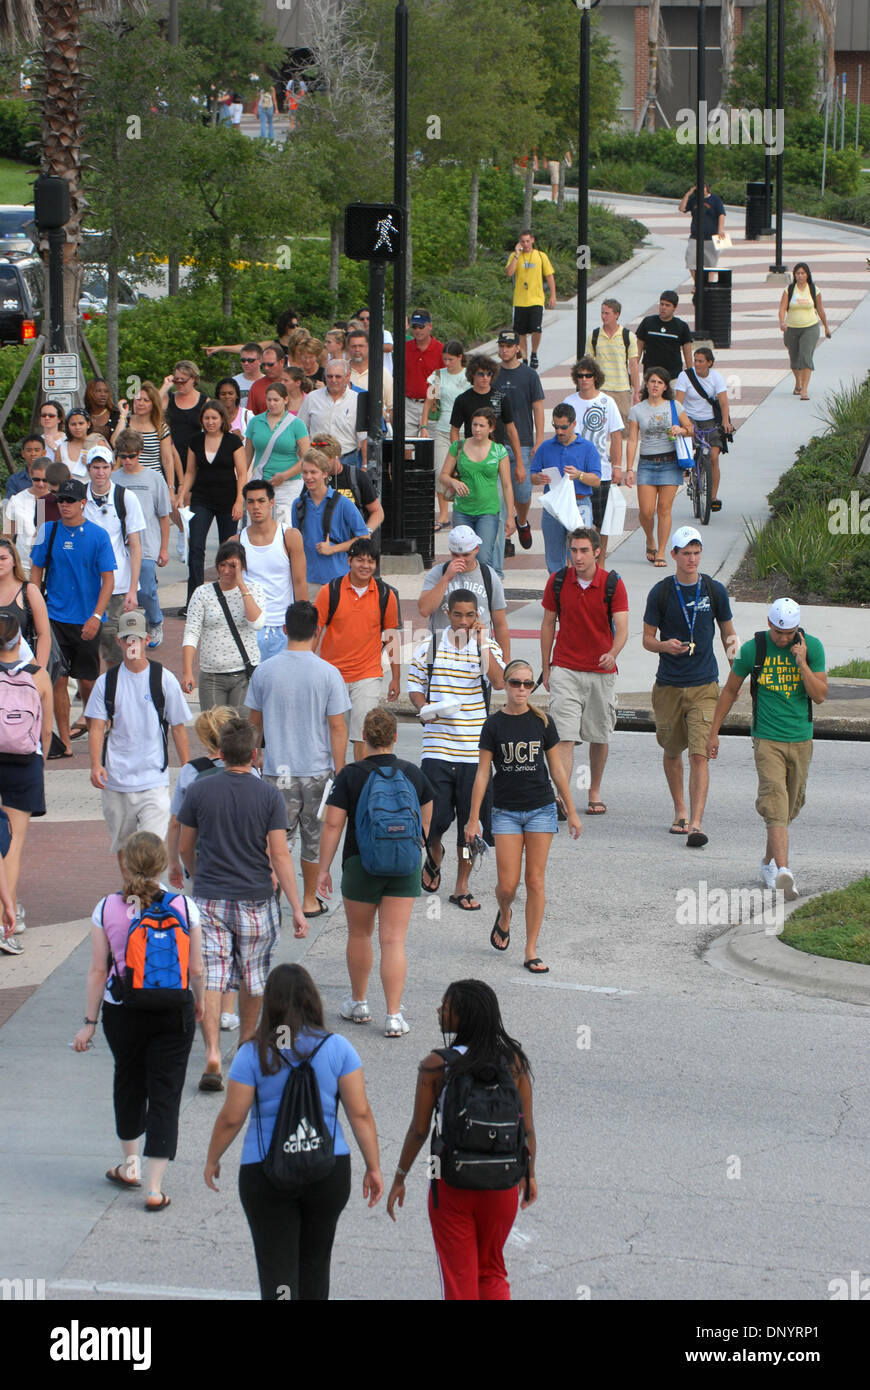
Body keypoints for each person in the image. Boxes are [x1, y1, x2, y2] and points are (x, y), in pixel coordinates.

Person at [204, 962, 383, 1301]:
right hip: (327, 1168)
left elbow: (232, 1117)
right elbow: (359, 1113)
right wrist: (373, 1167)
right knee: (316, 1265)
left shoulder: (252, 1053)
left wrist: (213, 1158)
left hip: (266, 1171)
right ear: (313, 1001)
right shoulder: (338, 1048)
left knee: (278, 1273)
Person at [72, 831, 204, 1212]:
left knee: (128, 1081)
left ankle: (130, 1165)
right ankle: (155, 1187)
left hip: (122, 1009)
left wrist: (89, 1021)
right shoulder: (183, 905)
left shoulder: (106, 907)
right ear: (162, 865)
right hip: (172, 1008)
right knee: (166, 1092)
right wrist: (201, 1002)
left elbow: (99, 971)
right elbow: (195, 967)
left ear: (125, 863)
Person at [178, 717, 309, 1089]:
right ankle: (247, 1046)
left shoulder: (201, 791)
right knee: (254, 977)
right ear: (254, 755)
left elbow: (186, 846)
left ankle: (212, 1055)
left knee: (213, 975)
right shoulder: (268, 796)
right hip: (255, 897)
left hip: (209, 898)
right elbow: (281, 856)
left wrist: (196, 874)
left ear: (219, 753)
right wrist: (297, 908)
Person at [386, 978, 536, 1301]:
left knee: (459, 1279)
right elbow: (528, 1128)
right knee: (492, 1269)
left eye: (447, 1006)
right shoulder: (515, 1063)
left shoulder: (436, 1065)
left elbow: (419, 1130)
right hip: (503, 1184)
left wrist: (400, 1176)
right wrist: (529, 1174)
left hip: (451, 1185)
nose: (439, 1010)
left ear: (463, 1017)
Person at [317, 708, 434, 1037]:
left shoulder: (350, 776)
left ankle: (359, 1003)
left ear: (364, 738)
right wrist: (418, 841)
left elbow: (333, 824)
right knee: (394, 940)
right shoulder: (412, 772)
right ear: (395, 737)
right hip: (404, 863)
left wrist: (323, 869)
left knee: (359, 934)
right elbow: (428, 811)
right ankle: (394, 1015)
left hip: (360, 861)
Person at [706, 599, 827, 900]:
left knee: (789, 808)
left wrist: (802, 663)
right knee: (775, 802)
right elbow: (730, 692)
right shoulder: (753, 649)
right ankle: (785, 871)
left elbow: (821, 695)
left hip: (801, 738)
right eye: (778, 632)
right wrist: (713, 733)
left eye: (789, 633)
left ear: (797, 629)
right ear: (769, 623)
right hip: (767, 738)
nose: (783, 638)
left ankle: (768, 863)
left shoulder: (813, 647)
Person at [465, 659, 581, 971]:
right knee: (507, 885)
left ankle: (530, 949)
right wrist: (473, 817)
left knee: (535, 880)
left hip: (541, 809)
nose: (521, 689)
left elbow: (556, 768)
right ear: (505, 684)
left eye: (528, 684)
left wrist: (570, 810)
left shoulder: (542, 721)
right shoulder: (493, 725)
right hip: (505, 812)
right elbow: (482, 774)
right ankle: (505, 912)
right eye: (515, 682)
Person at [247, 600, 349, 918]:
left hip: (277, 770)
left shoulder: (264, 671)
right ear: (317, 630)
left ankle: (272, 894)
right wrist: (340, 768)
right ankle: (308, 899)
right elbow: (337, 726)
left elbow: (254, 723)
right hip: (317, 770)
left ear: (285, 629)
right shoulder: (329, 674)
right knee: (313, 839)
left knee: (276, 839)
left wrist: (256, 754)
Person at [408, 589, 505, 913]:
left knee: (470, 825)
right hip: (437, 746)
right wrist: (426, 709)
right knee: (433, 820)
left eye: (471, 615)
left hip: (474, 752)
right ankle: (434, 851)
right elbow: (415, 688)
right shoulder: (430, 646)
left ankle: (462, 885)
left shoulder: (486, 646)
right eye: (459, 615)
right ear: (448, 613)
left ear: (478, 616)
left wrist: (481, 644)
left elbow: (500, 681)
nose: (464, 621)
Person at [642, 527, 736, 847]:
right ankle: (679, 809)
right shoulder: (661, 592)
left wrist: (736, 664)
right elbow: (646, 639)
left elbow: (728, 633)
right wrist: (664, 646)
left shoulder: (713, 590)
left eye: (696, 552)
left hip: (704, 684)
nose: (691, 559)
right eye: (685, 553)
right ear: (674, 556)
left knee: (700, 754)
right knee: (672, 750)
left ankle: (695, 823)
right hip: (669, 684)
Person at [86, 610, 191, 866]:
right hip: (116, 780)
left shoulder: (164, 679)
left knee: (151, 849)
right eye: (127, 638)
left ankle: (147, 896)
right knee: (123, 847)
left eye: (137, 638)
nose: (132, 643)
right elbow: (97, 727)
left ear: (146, 640)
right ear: (120, 642)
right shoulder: (106, 682)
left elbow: (178, 726)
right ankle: (132, 896)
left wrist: (188, 769)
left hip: (153, 779)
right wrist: (95, 764)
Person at [540, 528, 628, 816]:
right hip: (565, 667)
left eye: (583, 551)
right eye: (573, 550)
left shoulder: (612, 583)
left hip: (601, 671)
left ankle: (593, 791)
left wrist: (612, 654)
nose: (577, 556)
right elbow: (548, 624)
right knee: (564, 735)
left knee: (599, 735)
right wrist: (546, 667)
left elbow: (623, 627)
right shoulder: (558, 581)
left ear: (596, 551)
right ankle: (564, 798)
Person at [29, 479, 116, 759]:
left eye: (69, 500)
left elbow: (108, 581)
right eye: (61, 501)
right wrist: (35, 607)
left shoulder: (98, 536)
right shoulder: (47, 531)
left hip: (86, 619)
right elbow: (35, 571)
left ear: (83, 503)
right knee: (58, 680)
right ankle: (65, 742)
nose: (64, 505)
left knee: (88, 682)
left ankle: (95, 732)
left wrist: (96, 616)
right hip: (53, 618)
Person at [167, 704, 240, 1033]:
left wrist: (178, 864)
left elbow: (176, 825)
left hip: (203, 866)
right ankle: (228, 1010)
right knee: (237, 938)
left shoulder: (190, 772)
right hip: (239, 865)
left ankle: (203, 1001)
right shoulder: (245, 770)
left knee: (208, 940)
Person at [314, 538, 400, 761]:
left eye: (371, 561)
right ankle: (338, 779)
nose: (365, 565)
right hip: (332, 676)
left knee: (364, 735)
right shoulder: (329, 591)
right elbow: (314, 632)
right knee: (335, 733)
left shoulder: (386, 595)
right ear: (349, 561)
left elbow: (392, 638)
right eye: (360, 560)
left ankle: (359, 783)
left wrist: (396, 678)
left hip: (368, 675)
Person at [0, 611, 52, 945]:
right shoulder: (38, 676)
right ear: (20, 641)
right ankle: (9, 916)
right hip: (24, 761)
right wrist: (40, 761)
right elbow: (46, 731)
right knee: (14, 844)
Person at [182, 540, 265, 712]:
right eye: (222, 565)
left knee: (240, 733)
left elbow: (257, 623)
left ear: (242, 567)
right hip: (211, 675)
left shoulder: (254, 590)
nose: (226, 570)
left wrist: (242, 585)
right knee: (214, 733)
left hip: (244, 674)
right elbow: (191, 633)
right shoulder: (202, 593)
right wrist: (187, 671)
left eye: (232, 565)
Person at [179, 398, 246, 608]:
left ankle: (228, 594)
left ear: (222, 419)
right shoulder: (195, 441)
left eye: (214, 418)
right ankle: (195, 598)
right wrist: (182, 492)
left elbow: (242, 473)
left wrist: (239, 501)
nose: (210, 422)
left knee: (228, 548)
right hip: (201, 498)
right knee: (196, 546)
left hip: (227, 499)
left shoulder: (233, 442)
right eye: (206, 418)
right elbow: (190, 472)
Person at [83, 444, 146, 665]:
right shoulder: (78, 497)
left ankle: (119, 692)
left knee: (118, 647)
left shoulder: (125, 497)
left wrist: (133, 589)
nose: (100, 472)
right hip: (87, 584)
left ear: (112, 468)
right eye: (96, 467)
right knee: (87, 643)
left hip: (119, 585)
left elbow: (136, 545)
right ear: (88, 468)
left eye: (105, 467)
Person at [626, 368, 693, 567]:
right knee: (646, 511)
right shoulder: (637, 410)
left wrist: (680, 429)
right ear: (646, 384)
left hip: (670, 463)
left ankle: (662, 551)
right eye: (652, 381)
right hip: (647, 463)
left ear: (665, 387)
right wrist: (629, 469)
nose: (655, 385)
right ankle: (650, 539)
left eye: (659, 382)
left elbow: (691, 429)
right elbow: (632, 440)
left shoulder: (674, 406)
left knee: (664, 509)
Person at [112, 429, 173, 649]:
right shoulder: (113, 478)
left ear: (140, 453)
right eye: (123, 456)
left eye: (131, 456)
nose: (127, 461)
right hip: (121, 543)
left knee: (146, 589)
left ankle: (155, 619)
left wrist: (164, 548)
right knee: (120, 589)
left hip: (148, 543)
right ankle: (122, 628)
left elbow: (164, 516)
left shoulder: (154, 478)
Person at [561, 356, 624, 564]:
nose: (584, 379)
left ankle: (601, 562)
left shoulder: (607, 402)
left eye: (588, 375)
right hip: (573, 473)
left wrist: (617, 466)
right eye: (580, 376)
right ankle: (575, 562)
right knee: (575, 522)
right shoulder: (569, 402)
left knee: (601, 522)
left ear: (596, 377)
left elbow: (615, 436)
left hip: (601, 472)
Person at [440, 407, 517, 576]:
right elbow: (443, 475)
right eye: (474, 425)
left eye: (482, 426)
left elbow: (506, 485)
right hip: (463, 510)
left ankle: (483, 596)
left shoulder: (499, 451)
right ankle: (462, 594)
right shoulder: (458, 446)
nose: (477, 429)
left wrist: (510, 516)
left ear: (491, 428)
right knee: (461, 557)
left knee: (483, 558)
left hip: (488, 511)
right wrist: (453, 481)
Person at [417, 523, 510, 661]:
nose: (461, 559)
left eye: (466, 554)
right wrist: (446, 579)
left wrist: (506, 662)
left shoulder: (488, 576)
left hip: (477, 654)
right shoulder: (438, 573)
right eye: (455, 554)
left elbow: (500, 623)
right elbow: (424, 610)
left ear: (476, 549)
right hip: (442, 654)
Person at [239, 479, 307, 662]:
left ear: (271, 502)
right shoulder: (237, 542)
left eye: (261, 501)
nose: (256, 506)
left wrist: (303, 625)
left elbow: (300, 582)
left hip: (284, 627)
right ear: (245, 504)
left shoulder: (290, 536)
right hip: (250, 628)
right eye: (251, 502)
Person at [530, 405, 602, 574]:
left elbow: (597, 480)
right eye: (555, 427)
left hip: (579, 502)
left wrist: (579, 475)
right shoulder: (546, 447)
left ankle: (582, 588)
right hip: (554, 506)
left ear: (574, 424)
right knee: (554, 555)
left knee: (582, 551)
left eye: (563, 427)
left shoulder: (587, 447)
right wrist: (538, 478)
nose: (559, 431)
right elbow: (532, 476)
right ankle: (558, 590)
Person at [493, 329, 545, 554]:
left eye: (508, 346)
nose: (504, 349)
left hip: (523, 441)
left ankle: (522, 521)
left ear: (517, 348)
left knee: (523, 493)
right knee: (500, 495)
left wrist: (539, 439)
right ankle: (504, 539)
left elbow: (538, 408)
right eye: (501, 345)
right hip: (496, 443)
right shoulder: (492, 374)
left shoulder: (529, 375)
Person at [290, 449, 368, 597]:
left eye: (314, 472)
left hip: (338, 580)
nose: (308, 477)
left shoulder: (344, 503)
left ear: (325, 474)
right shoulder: (298, 505)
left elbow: (364, 538)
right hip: (308, 581)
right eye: (305, 472)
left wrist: (334, 548)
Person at [673, 347, 733, 514]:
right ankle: (691, 472)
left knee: (713, 457)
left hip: (710, 419)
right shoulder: (685, 376)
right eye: (695, 360)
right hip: (690, 417)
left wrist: (725, 422)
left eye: (700, 361)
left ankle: (712, 497)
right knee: (688, 448)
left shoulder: (716, 378)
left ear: (709, 363)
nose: (697, 364)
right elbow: (678, 403)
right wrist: (680, 424)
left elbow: (723, 403)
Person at [245, 381, 309, 522]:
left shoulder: (297, 424)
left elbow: (307, 457)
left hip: (288, 484)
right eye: (269, 400)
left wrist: (285, 475)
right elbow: (247, 455)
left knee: (284, 523)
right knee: (257, 521)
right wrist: (242, 479)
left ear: (285, 400)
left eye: (276, 400)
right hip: (261, 479)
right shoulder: (255, 422)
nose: (272, 404)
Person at [421, 339, 466, 530]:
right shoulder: (438, 376)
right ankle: (444, 513)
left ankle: (463, 510)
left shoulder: (469, 376)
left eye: (451, 360)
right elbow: (429, 401)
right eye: (445, 359)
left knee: (464, 471)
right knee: (440, 470)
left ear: (460, 358)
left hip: (465, 429)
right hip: (441, 428)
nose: (447, 363)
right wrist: (423, 426)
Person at [112, 381, 178, 497]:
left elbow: (167, 460)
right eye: (138, 399)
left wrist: (171, 488)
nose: (140, 403)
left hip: (153, 480)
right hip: (128, 480)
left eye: (146, 400)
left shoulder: (160, 426)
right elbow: (114, 442)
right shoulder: (127, 422)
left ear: (153, 403)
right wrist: (123, 416)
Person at [297, 360, 366, 468]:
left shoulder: (357, 400)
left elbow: (364, 437)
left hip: (347, 459)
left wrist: (365, 465)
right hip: (316, 459)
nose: (333, 380)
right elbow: (300, 430)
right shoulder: (312, 398)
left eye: (338, 376)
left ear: (347, 377)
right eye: (330, 376)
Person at [779, 262, 831, 402]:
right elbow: (782, 308)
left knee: (805, 357)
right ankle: (798, 383)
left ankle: (804, 390)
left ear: (807, 275)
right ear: (794, 275)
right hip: (791, 329)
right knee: (794, 359)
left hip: (810, 327)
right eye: (798, 273)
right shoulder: (789, 290)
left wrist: (826, 326)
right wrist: (782, 322)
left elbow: (820, 309)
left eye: (803, 273)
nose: (800, 276)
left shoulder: (814, 290)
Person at [505, 229, 556, 369]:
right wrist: (516, 255)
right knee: (521, 333)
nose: (525, 244)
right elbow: (509, 273)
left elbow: (549, 275)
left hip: (536, 299)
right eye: (523, 241)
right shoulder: (515, 256)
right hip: (520, 300)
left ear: (532, 240)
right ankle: (525, 358)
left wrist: (553, 295)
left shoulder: (541, 256)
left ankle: (534, 353)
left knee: (536, 329)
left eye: (528, 241)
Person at [586, 299, 640, 424]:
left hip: (622, 389)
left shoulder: (628, 336)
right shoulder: (593, 336)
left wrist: (636, 391)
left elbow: (633, 365)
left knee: (622, 429)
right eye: (602, 313)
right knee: (598, 427)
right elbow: (588, 364)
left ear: (616, 314)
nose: (603, 316)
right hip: (600, 388)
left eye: (607, 313)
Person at [160, 361, 208, 490]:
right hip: (172, 454)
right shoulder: (169, 398)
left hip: (194, 456)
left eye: (183, 381)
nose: (179, 384)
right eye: (177, 381)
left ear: (193, 379)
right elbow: (153, 411)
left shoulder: (204, 401)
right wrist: (165, 387)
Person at [4, 457, 51, 576]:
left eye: (45, 480)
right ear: (30, 475)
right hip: (23, 567)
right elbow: (7, 535)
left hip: (51, 568)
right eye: (36, 479)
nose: (40, 484)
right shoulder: (17, 500)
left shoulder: (60, 501)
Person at [635, 292, 693, 380]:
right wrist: (634, 370)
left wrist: (691, 374)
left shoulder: (682, 326)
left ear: (674, 308)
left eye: (667, 305)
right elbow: (638, 348)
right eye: (661, 304)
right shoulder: (647, 322)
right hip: (650, 375)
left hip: (673, 375)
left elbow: (687, 351)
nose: (663, 308)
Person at [405, 310, 444, 435]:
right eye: (415, 327)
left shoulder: (441, 350)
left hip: (432, 405)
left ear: (430, 326)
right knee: (406, 447)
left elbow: (442, 378)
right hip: (408, 404)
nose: (417, 330)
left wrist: (436, 401)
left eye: (421, 327)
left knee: (429, 447)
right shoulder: (405, 348)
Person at [679, 182, 726, 279]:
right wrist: (688, 194)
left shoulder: (715, 200)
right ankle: (697, 285)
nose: (702, 189)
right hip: (695, 237)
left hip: (711, 237)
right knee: (690, 261)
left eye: (703, 187)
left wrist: (720, 230)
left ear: (707, 188)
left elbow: (721, 214)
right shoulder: (693, 200)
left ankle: (708, 286)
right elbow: (682, 208)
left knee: (711, 264)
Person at [246, 344, 287, 418]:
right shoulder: (257, 386)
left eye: (270, 364)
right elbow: (250, 417)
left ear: (282, 362)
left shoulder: (293, 383)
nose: (266, 368)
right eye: (263, 365)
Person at [5, 435, 44, 499]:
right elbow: (11, 504)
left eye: (37, 450)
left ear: (44, 453)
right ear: (23, 453)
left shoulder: (50, 479)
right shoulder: (14, 480)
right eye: (29, 450)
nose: (33, 454)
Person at [57, 407, 92, 479]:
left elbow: (111, 469)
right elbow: (56, 474)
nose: (77, 427)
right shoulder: (62, 448)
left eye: (81, 423)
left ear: (88, 424)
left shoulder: (98, 444)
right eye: (73, 424)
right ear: (68, 426)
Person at [84, 378, 121, 443]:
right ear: (90, 392)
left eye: (106, 391)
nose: (103, 394)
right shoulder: (83, 416)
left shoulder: (116, 415)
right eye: (98, 391)